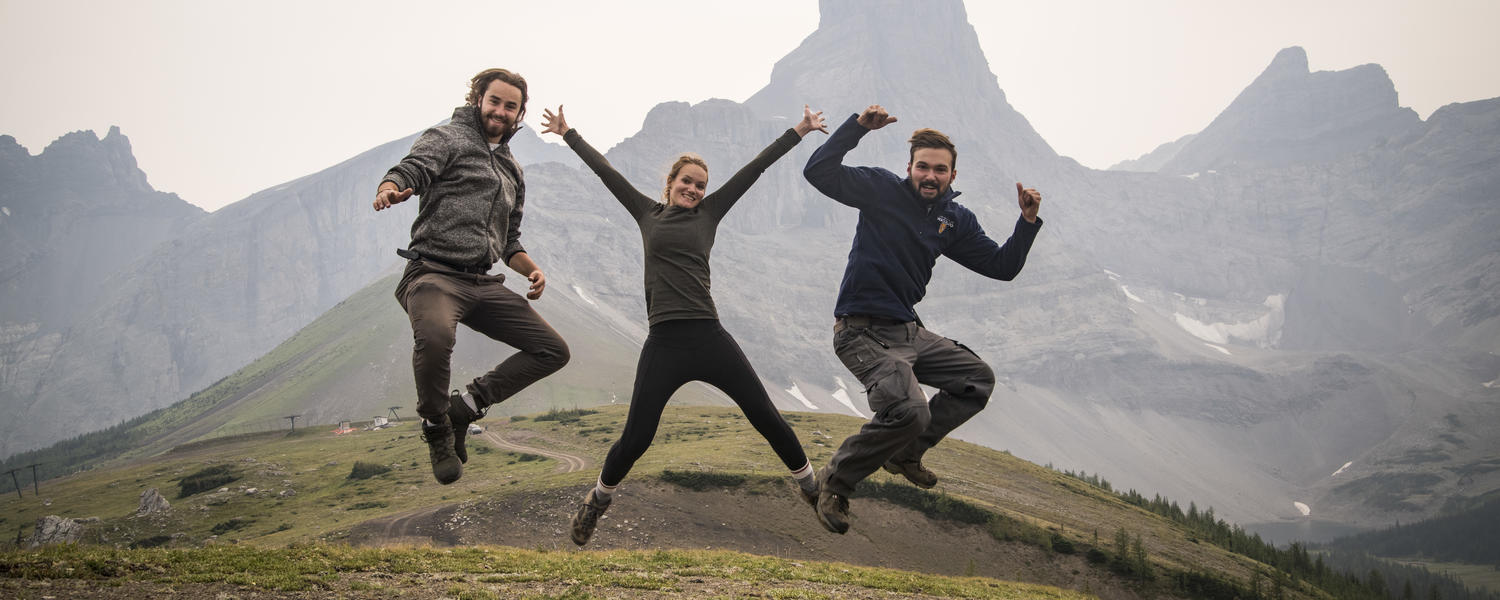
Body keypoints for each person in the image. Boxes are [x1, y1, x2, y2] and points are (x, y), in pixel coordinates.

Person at [540, 103, 828, 546]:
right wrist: (568, 134)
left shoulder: (709, 214)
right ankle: (596, 502)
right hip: (665, 342)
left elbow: (755, 169)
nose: (693, 189)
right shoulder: (645, 213)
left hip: (709, 335)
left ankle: (814, 492)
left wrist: (801, 130)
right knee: (636, 438)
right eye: (686, 182)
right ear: (670, 183)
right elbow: (607, 172)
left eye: (699, 185)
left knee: (765, 415)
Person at [801, 105, 1043, 534]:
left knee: (976, 380)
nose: (930, 176)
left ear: (953, 175)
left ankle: (906, 453)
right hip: (861, 331)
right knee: (910, 409)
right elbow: (818, 171)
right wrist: (857, 128)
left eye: (940, 170)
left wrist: (1026, 223)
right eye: (923, 167)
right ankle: (834, 484)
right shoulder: (879, 189)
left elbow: (1002, 266)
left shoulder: (954, 219)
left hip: (909, 331)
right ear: (909, 167)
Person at [374, 68, 570, 485]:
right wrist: (391, 188)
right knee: (436, 338)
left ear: (519, 114)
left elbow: (509, 241)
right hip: (432, 274)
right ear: (478, 98)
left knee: (552, 350)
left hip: (481, 282)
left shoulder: (513, 170)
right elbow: (411, 170)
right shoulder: (447, 138)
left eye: (510, 106)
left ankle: (466, 407)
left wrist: (531, 269)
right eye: (494, 101)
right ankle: (436, 426)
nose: (501, 111)